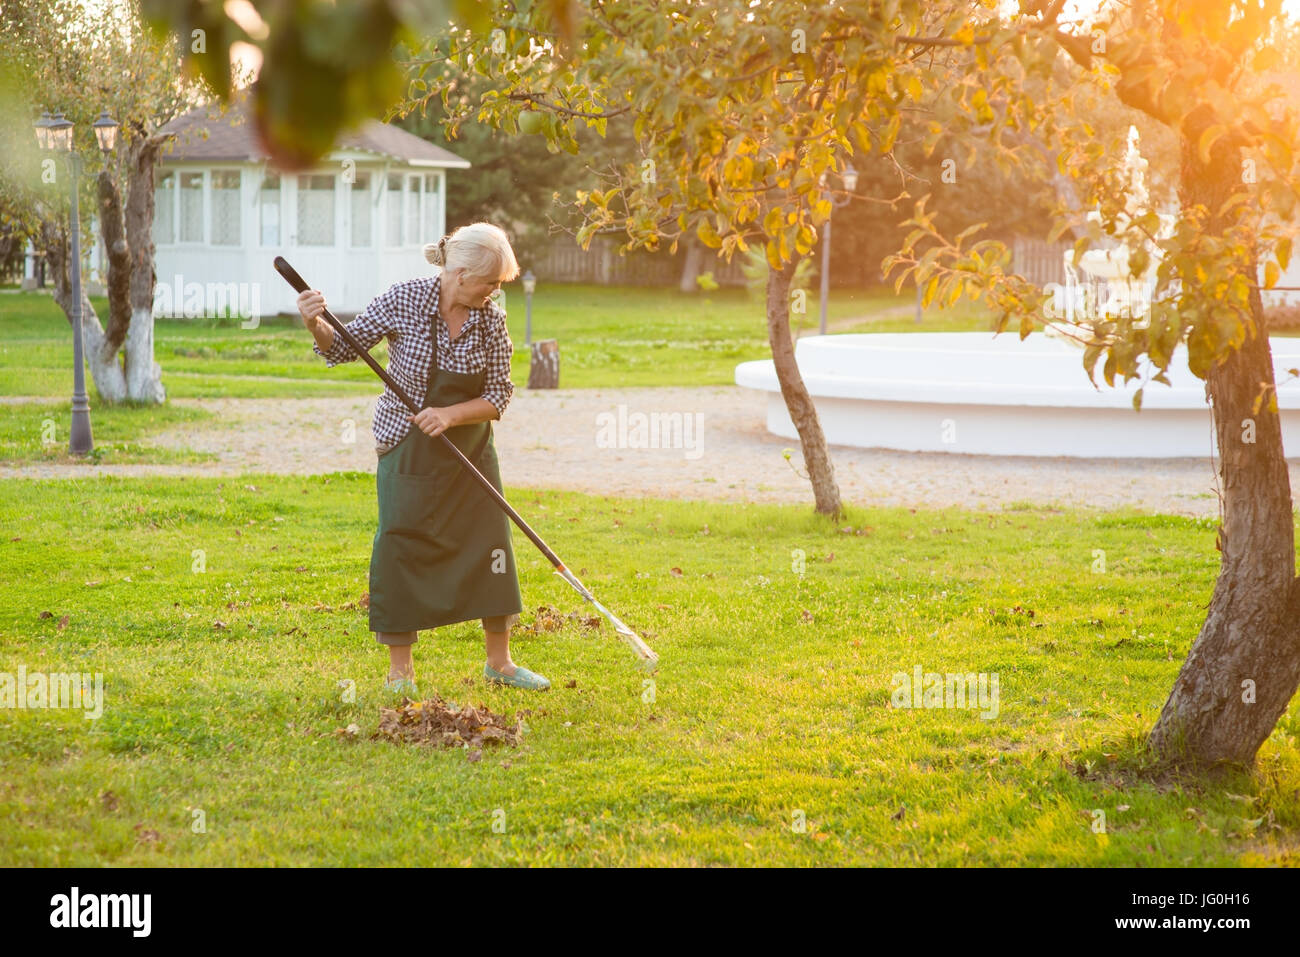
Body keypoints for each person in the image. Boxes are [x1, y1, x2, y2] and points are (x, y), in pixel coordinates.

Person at [296, 222, 550, 695]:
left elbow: (499, 395)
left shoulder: (491, 320)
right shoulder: (405, 299)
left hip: (470, 453)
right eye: (490, 282)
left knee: (491, 547)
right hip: (406, 448)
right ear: (460, 274)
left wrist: (450, 414)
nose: (495, 292)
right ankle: (401, 673)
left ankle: (501, 663)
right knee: (401, 545)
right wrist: (316, 323)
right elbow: (344, 350)